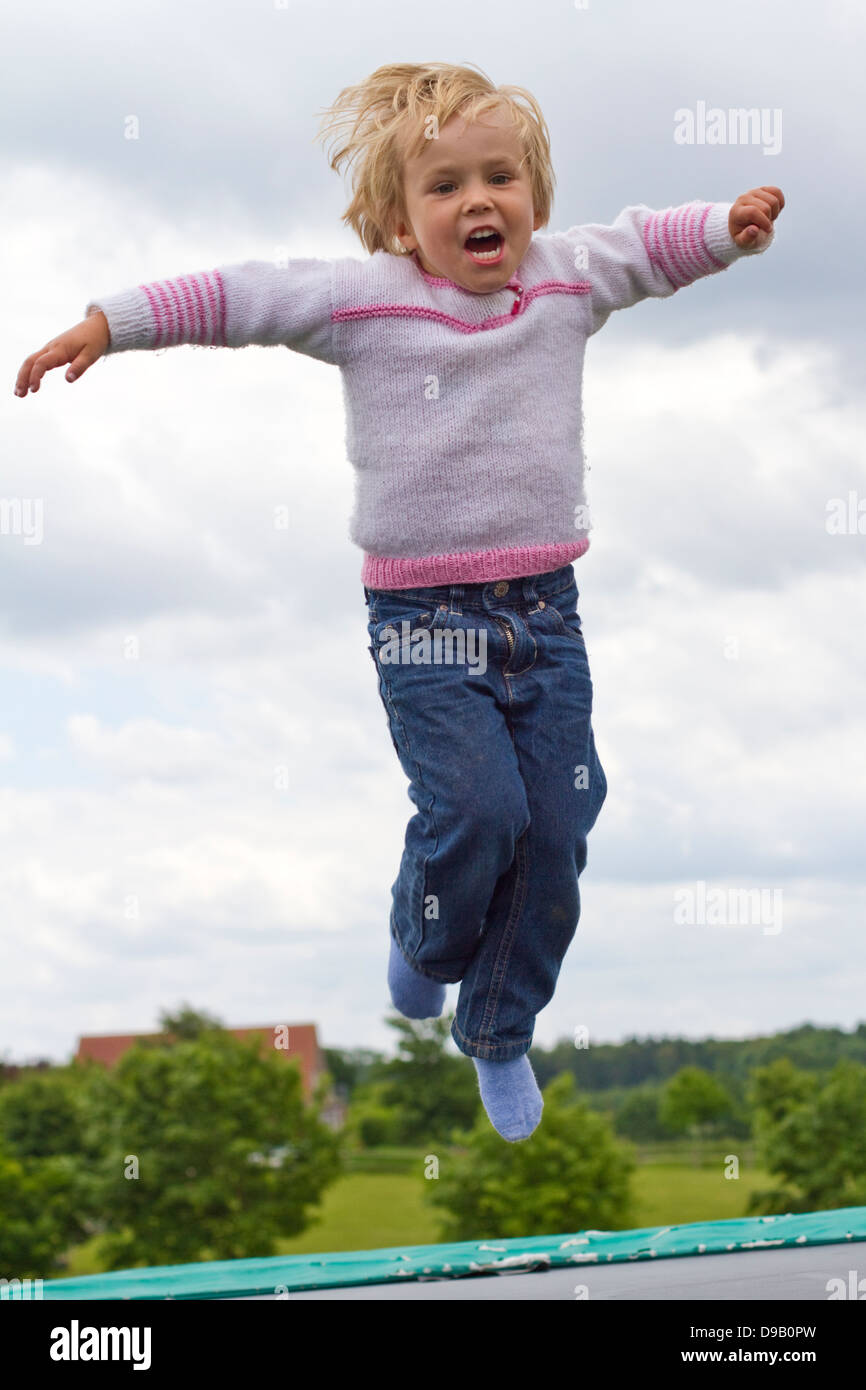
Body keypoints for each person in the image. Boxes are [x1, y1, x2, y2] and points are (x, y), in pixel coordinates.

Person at [14, 61, 784, 1142]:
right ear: (393, 219)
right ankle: (422, 943)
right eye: (444, 186)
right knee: (480, 812)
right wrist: (109, 319)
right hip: (423, 626)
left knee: (560, 818)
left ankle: (497, 1027)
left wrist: (726, 225)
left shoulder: (566, 279)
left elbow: (652, 245)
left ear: (533, 198)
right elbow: (236, 295)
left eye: (500, 178)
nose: (478, 201)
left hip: (544, 615)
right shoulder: (360, 301)